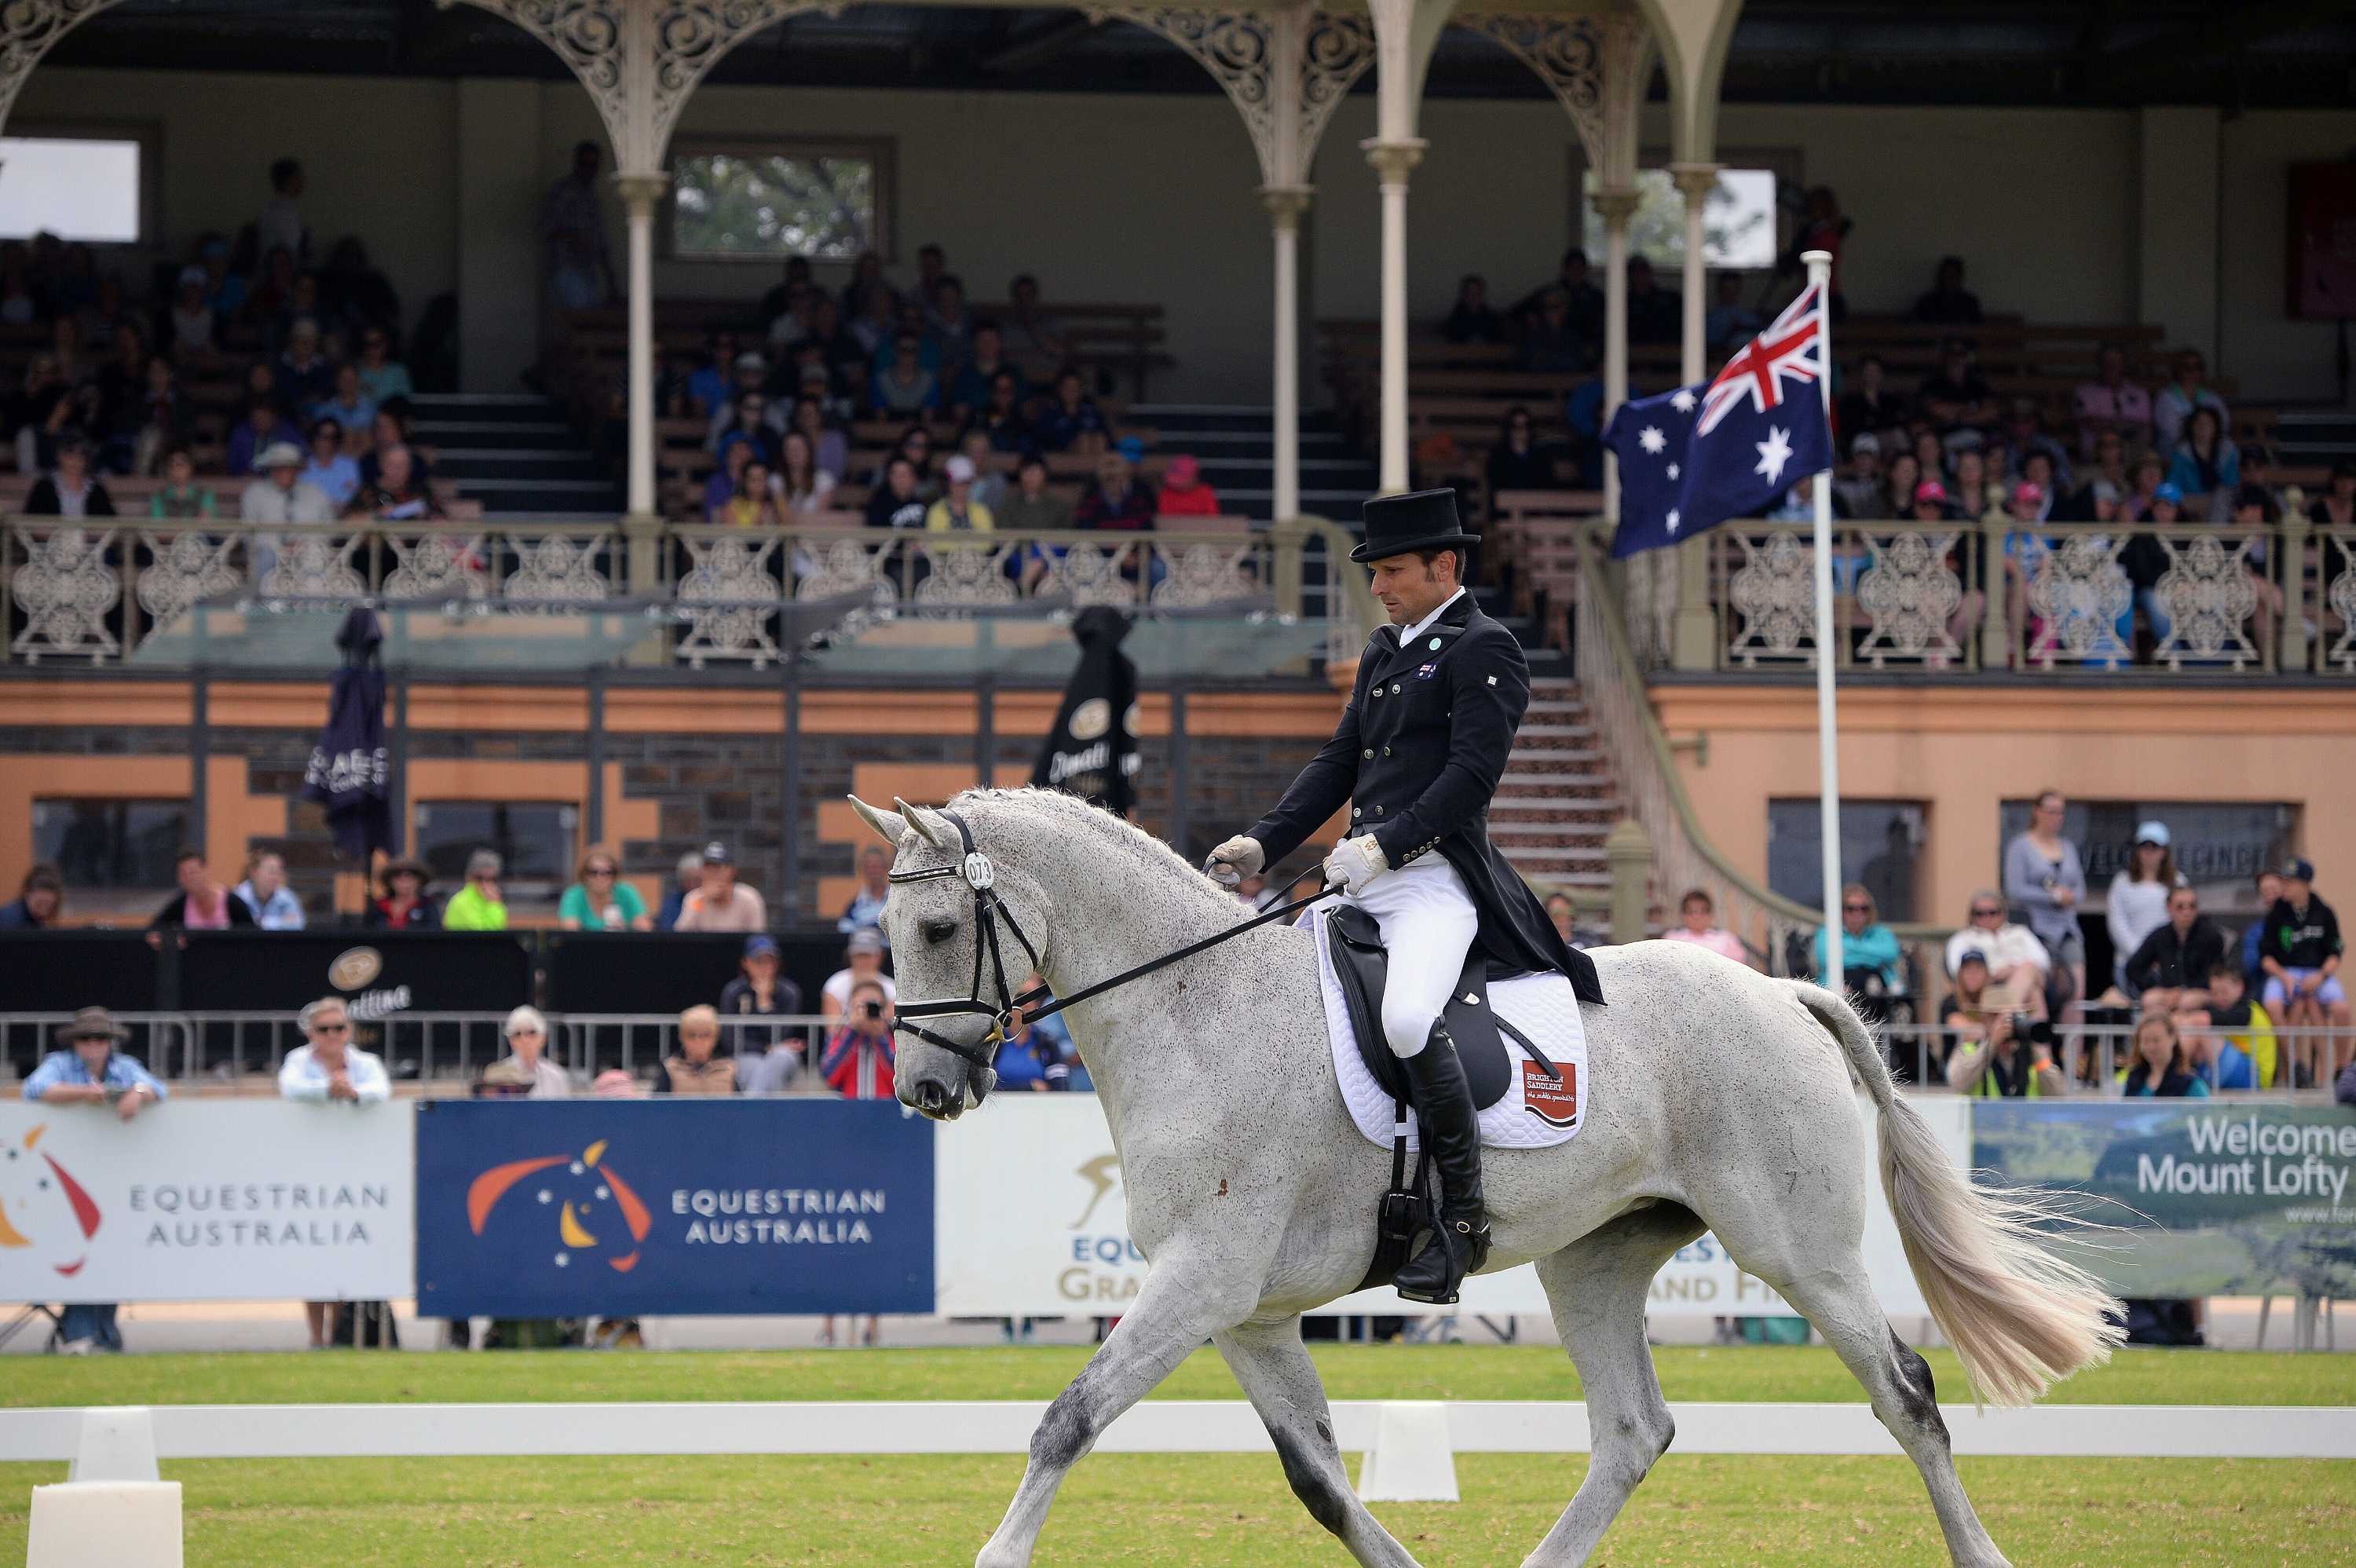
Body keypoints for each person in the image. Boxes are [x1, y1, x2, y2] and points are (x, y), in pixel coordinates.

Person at [1205, 488, 1603, 1306]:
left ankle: (1461, 1221)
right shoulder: (1388, 647)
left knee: (1407, 1019)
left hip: (1433, 882)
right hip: (1362, 875)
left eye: (1391, 570)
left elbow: (1471, 777)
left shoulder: (1485, 648)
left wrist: (1385, 844)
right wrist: (1265, 842)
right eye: (1375, 572)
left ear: (1443, 564)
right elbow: (1340, 760)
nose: (1379, 586)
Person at [22, 1007, 165, 1353]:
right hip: (64, 1180)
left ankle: (103, 1334)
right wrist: (85, 1094)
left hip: (109, 1178)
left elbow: (157, 1087)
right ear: (75, 1043)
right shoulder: (59, 1063)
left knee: (107, 1252)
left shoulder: (123, 1066)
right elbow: (35, 1089)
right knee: (78, 1250)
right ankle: (79, 1334)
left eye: (100, 1039)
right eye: (86, 1039)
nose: (93, 1046)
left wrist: (138, 1093)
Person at [278, 995, 390, 1347]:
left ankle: (339, 1335)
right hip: (308, 1168)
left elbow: (381, 1091)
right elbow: (290, 1088)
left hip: (354, 1170)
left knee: (344, 1255)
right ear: (312, 1033)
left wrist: (352, 1092)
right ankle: (315, 1337)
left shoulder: (365, 1062)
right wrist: (328, 1090)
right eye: (324, 1029)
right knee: (314, 1256)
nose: (332, 1035)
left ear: (349, 1030)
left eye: (339, 1028)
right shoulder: (297, 1061)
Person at [2259, 857, 2347, 1087]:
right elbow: (2266, 958)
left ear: (2305, 884)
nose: (2284, 886)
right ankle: (2296, 1064)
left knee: (2341, 1008)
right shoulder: (2277, 913)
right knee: (2273, 1004)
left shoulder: (2324, 912)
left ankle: (2341, 1068)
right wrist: (2285, 977)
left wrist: (2320, 977)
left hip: (2319, 973)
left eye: (2290, 882)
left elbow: (2335, 953)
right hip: (2285, 972)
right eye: (2284, 881)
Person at [2004, 789, 2085, 1009]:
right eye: (2051, 811)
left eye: (2060, 812)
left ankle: (2071, 1043)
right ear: (2036, 812)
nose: (2056, 817)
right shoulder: (2020, 847)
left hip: (2067, 929)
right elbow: (2015, 889)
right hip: (2035, 930)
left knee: (2075, 990)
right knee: (2039, 989)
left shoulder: (2067, 847)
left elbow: (2080, 890)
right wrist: (2052, 897)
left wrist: (2069, 897)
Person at [1942, 963, 2065, 1098]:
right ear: (1984, 1020)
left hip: (2025, 1118)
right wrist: (1992, 1044)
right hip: (1984, 1118)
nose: (2006, 1023)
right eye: (1996, 1016)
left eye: (2011, 1017)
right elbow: (1959, 1083)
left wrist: (2037, 1051)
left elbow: (2057, 1093)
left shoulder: (2031, 1053)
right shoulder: (1968, 1050)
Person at [2121, 883, 2226, 1016]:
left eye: (2192, 906)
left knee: (2186, 1001)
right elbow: (2133, 967)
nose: (2187, 912)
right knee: (2150, 999)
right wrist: (2155, 985)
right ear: (2169, 908)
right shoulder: (2160, 935)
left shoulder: (2211, 936)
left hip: (2201, 991)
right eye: (2180, 907)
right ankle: (2156, 1035)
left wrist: (2183, 990)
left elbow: (2214, 974)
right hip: (2168, 991)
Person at [1943, 892, 2049, 1018]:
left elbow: (2043, 961)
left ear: (2003, 913)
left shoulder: (2020, 933)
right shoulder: (1963, 938)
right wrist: (1992, 974)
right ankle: (2033, 1032)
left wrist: (2012, 970)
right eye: (1980, 913)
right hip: (1987, 985)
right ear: (1971, 916)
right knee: (2033, 992)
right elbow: (1957, 969)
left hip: (2024, 975)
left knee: (2029, 969)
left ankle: (2006, 1014)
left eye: (1993, 912)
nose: (1987, 918)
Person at [723, 934, 807, 1091]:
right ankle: (766, 1113)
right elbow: (729, 1040)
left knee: (780, 1058)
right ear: (745, 963)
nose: (764, 967)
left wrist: (764, 1003)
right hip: (744, 1055)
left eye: (769, 961)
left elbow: (782, 1035)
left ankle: (751, 1112)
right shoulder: (733, 991)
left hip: (782, 1055)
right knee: (757, 1067)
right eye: (758, 961)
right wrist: (766, 1048)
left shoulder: (789, 992)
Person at [2176, 962, 2272, 1092]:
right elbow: (2186, 1008)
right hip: (2238, 1071)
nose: (2219, 997)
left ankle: (2176, 1077)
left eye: (2224, 992)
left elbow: (2199, 1020)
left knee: (2198, 1029)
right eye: (2215, 993)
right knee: (2194, 1037)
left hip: (2254, 1077)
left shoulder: (2246, 1010)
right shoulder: (2225, 1008)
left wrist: (2176, 1022)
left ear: (2240, 987)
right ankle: (2179, 1075)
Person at [543, 140, 615, 310]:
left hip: (588, 268)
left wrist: (609, 273)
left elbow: (599, 237)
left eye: (594, 164)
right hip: (565, 267)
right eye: (585, 163)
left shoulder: (592, 196)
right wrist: (573, 237)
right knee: (580, 318)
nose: (589, 169)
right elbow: (546, 227)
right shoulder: (562, 191)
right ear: (576, 163)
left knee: (594, 318)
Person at [2104, 822, 2175, 992]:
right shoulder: (2121, 883)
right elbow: (2117, 924)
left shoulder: (2178, 883)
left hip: (2165, 965)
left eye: (2155, 847)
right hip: (2128, 963)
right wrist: (2143, 956)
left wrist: (2162, 958)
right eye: (2144, 847)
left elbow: (2180, 924)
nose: (2149, 852)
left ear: (2164, 851)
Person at [1813, 883, 1904, 992]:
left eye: (1864, 908)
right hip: (1840, 988)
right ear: (1841, 910)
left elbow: (1891, 954)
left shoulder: (1882, 933)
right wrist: (1874, 956)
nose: (1857, 913)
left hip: (1878, 991)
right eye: (1851, 908)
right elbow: (1825, 958)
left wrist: (1848, 950)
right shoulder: (1827, 932)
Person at [821, 978, 897, 1100]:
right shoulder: (841, 1036)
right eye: (861, 1006)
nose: (866, 1012)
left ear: (883, 1008)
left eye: (873, 1006)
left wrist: (880, 1037)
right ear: (851, 1007)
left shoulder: (895, 1037)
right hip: (850, 1108)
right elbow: (829, 1076)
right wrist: (852, 1032)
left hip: (887, 1109)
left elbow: (900, 1079)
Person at [2073, 344, 2153, 459]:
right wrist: (2128, 425)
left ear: (2124, 364)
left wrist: (2110, 423)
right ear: (2099, 364)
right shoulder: (2084, 392)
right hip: (2096, 454)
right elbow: (2092, 424)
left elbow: (2145, 427)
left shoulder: (2139, 393)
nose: (2112, 365)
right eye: (2107, 361)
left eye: (2117, 361)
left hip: (2133, 452)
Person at [150, 847, 254, 929]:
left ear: (205, 871)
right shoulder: (179, 905)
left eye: (193, 872)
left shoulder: (233, 903)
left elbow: (252, 936)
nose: (189, 878)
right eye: (184, 874)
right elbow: (152, 931)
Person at [675, 840, 766, 932]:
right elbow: (679, 936)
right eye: (707, 869)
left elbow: (757, 936)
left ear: (732, 871)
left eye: (717, 869)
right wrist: (702, 900)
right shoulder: (695, 899)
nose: (712, 874)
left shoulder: (749, 898)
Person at [2151, 349, 2228, 455]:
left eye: (2198, 367)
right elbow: (2173, 434)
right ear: (2178, 370)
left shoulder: (2213, 399)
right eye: (2187, 368)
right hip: (2174, 454)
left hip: (2209, 451)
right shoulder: (2165, 398)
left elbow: (2223, 427)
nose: (2193, 372)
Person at [240, 440, 335, 524]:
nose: (284, 472)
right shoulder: (254, 493)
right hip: (266, 544)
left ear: (297, 469)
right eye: (278, 467)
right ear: (270, 469)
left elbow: (328, 529)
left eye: (289, 467)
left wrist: (308, 542)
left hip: (310, 543)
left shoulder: (316, 493)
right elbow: (247, 532)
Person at [559, 846, 650, 930]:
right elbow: (569, 928)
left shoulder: (626, 892)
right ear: (584, 874)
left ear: (615, 875)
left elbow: (645, 927)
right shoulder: (574, 894)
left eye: (607, 872)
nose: (600, 878)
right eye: (593, 872)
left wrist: (625, 927)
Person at [2118, 1014, 2208, 1098]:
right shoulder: (2134, 1078)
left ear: (2173, 1038)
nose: (2151, 1047)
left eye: (2156, 1040)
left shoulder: (2191, 1084)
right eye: (2145, 1041)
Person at [654, 1005, 738, 1095]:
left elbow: (741, 1106)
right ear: (682, 1037)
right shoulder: (670, 1069)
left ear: (715, 1037)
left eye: (705, 1035)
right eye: (692, 1035)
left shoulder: (729, 1070)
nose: (698, 1040)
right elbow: (656, 1106)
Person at [24, 436, 115, 518]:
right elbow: (30, 522)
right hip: (54, 536)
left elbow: (111, 525)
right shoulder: (43, 487)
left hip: (89, 537)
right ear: (58, 455)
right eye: (69, 453)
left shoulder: (97, 490)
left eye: (81, 454)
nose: (75, 459)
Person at [821, 926, 898, 1022]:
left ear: (879, 956)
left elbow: (890, 1029)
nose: (863, 961)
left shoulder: (892, 989)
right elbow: (832, 1031)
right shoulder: (835, 984)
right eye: (858, 955)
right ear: (850, 955)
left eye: (868, 955)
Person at [1074, 444, 1155, 531]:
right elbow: (1082, 533)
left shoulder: (1140, 502)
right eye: (1110, 478)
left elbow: (1148, 532)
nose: (1115, 483)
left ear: (1127, 477)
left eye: (1120, 478)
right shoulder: (1089, 504)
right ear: (1100, 479)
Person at [494, 1006, 570, 1098]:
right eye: (517, 1034)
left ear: (543, 1038)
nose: (525, 1039)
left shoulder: (556, 1076)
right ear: (511, 1040)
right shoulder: (497, 1075)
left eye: (531, 1032)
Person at [1660, 887, 1747, 965]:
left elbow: (1738, 968)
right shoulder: (1672, 938)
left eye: (1702, 911)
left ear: (1711, 914)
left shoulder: (1726, 939)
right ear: (1683, 915)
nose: (1696, 917)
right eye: (1690, 911)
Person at [234, 850, 305, 930]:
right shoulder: (238, 896)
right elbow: (236, 926)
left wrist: (261, 923)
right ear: (253, 872)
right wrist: (281, 922)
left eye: (278, 873)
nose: (275, 877)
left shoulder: (287, 897)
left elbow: (298, 924)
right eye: (271, 872)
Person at [441, 849, 508, 930]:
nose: (485, 884)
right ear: (469, 877)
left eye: (492, 879)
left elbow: (500, 930)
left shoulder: (493, 901)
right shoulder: (461, 902)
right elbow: (483, 935)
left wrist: (495, 905)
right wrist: (494, 905)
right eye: (480, 878)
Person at [926, 453, 994, 532]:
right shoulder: (936, 510)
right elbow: (935, 543)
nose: (963, 488)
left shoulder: (982, 511)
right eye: (958, 483)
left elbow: (987, 542)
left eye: (966, 482)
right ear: (949, 483)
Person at [365, 857, 438, 929]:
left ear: (419, 881)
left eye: (409, 876)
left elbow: (435, 932)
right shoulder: (378, 907)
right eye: (398, 877)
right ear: (390, 881)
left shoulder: (427, 906)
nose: (404, 881)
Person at [1911, 255, 1982, 324]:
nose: (1950, 279)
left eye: (1954, 275)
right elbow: (1915, 326)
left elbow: (1978, 328)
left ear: (1960, 277)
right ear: (1941, 276)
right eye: (1948, 274)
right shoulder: (1927, 301)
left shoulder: (1970, 303)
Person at [839, 845, 891, 934]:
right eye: (869, 867)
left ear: (886, 868)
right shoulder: (855, 905)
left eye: (877, 866)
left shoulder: (895, 901)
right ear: (862, 870)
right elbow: (844, 927)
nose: (873, 871)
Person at [1154, 453, 1222, 518]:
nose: (1177, 484)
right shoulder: (1166, 494)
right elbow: (1164, 521)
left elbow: (1213, 519)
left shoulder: (1205, 492)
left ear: (1194, 478)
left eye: (1182, 479)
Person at [0, 862, 64, 928]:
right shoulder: (10, 921)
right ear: (27, 893)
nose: (46, 898)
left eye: (47, 904)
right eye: (41, 901)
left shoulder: (37, 921)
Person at [654, 849, 702, 930]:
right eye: (688, 880)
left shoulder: (714, 901)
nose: (692, 884)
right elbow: (668, 933)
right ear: (681, 881)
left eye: (697, 879)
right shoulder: (672, 903)